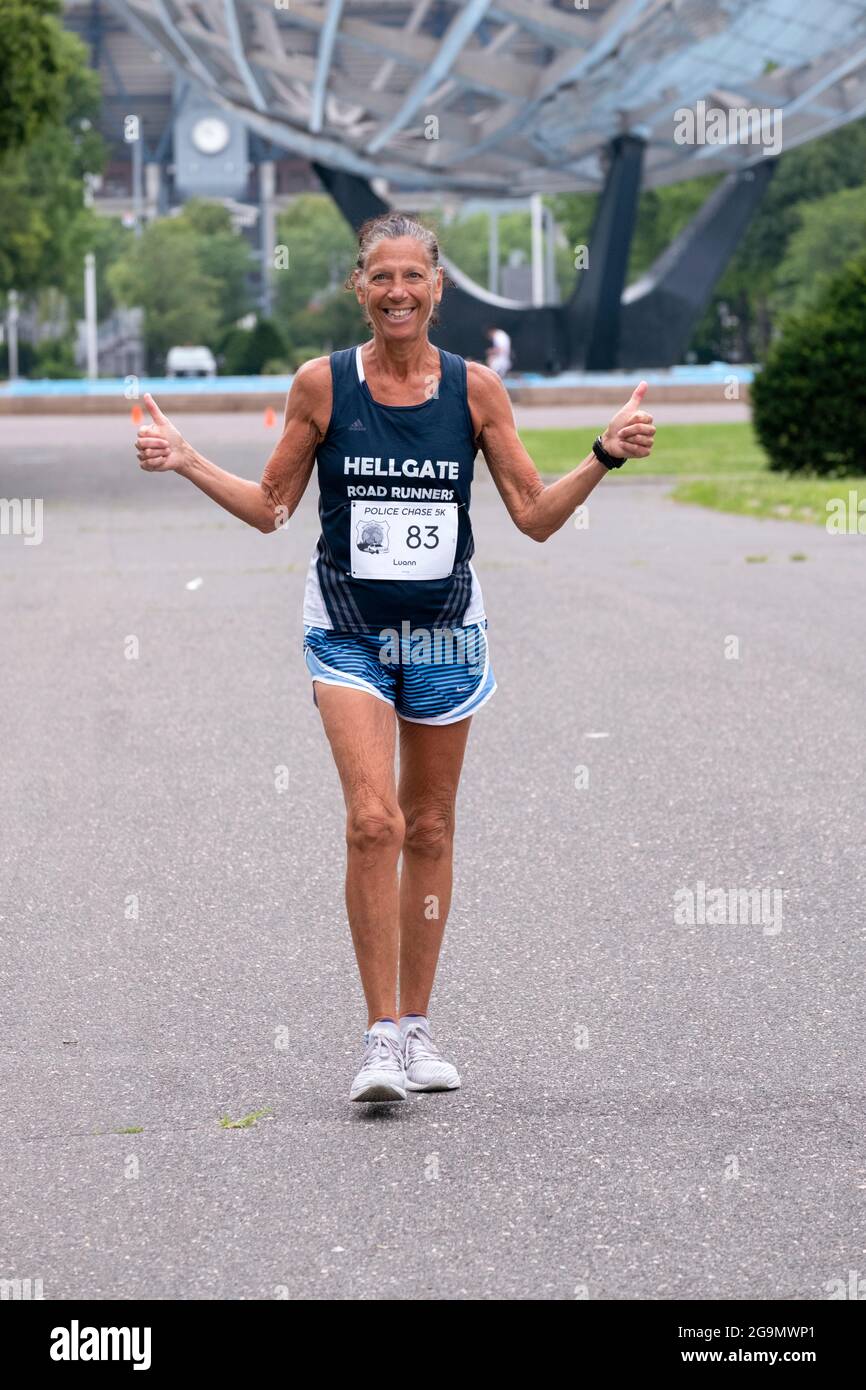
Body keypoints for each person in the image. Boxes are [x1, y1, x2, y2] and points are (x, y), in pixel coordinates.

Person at [134, 212, 656, 1104]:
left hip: (446, 628)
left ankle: (418, 1030)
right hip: (348, 627)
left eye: (414, 276)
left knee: (431, 827)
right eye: (381, 276)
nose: (398, 291)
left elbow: (531, 515)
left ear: (438, 288)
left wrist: (604, 454)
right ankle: (379, 1040)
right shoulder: (323, 386)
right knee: (372, 820)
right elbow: (270, 507)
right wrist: (184, 458)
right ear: (359, 286)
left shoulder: (476, 391)